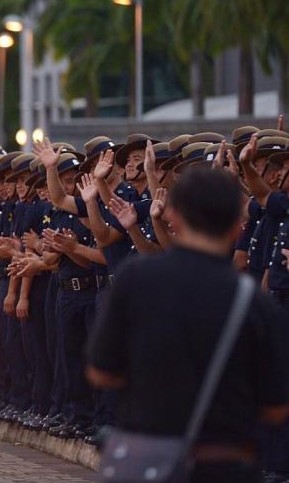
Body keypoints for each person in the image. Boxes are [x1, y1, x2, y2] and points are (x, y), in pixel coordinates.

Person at [87, 167, 289, 483]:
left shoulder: (136, 279)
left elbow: (101, 371)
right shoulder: (253, 300)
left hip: (151, 459)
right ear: (238, 227)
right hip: (227, 465)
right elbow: (276, 408)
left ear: (174, 218)